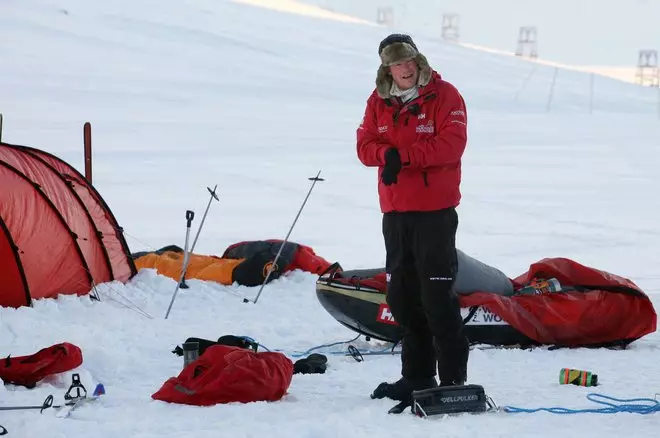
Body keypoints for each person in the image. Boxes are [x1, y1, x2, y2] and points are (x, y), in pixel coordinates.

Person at [356, 33, 470, 410]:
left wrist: (399, 159)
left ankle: (453, 381)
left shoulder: (445, 95)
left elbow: (450, 145)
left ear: (418, 61)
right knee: (402, 297)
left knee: (436, 296)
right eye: (396, 64)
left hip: (434, 213)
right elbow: (363, 145)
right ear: (386, 68)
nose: (404, 69)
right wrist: (385, 153)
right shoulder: (378, 101)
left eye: (408, 62)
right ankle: (417, 376)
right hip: (395, 213)